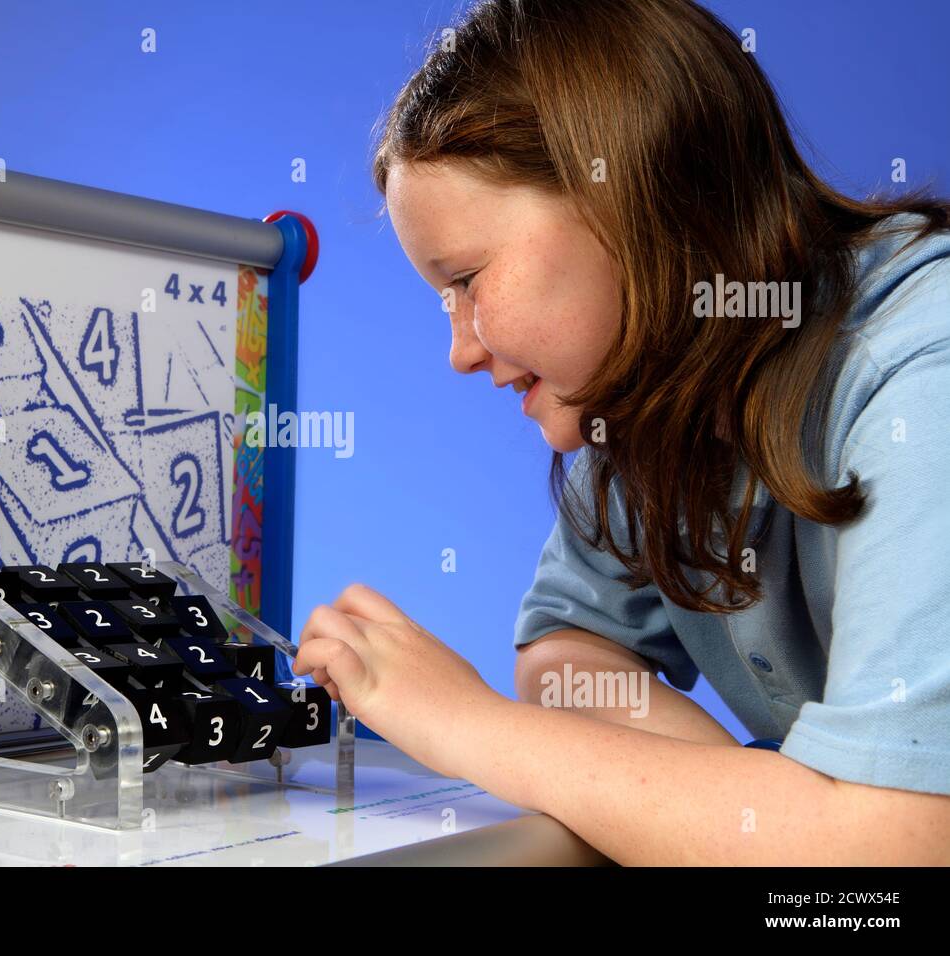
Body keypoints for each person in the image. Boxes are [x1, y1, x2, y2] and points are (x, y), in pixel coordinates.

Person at [292, 0, 950, 864]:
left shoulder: (921, 375)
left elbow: (897, 846)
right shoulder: (647, 395)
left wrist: (462, 720)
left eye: (466, 280)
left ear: (632, 203)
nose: (457, 350)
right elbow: (569, 651)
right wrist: (761, 810)